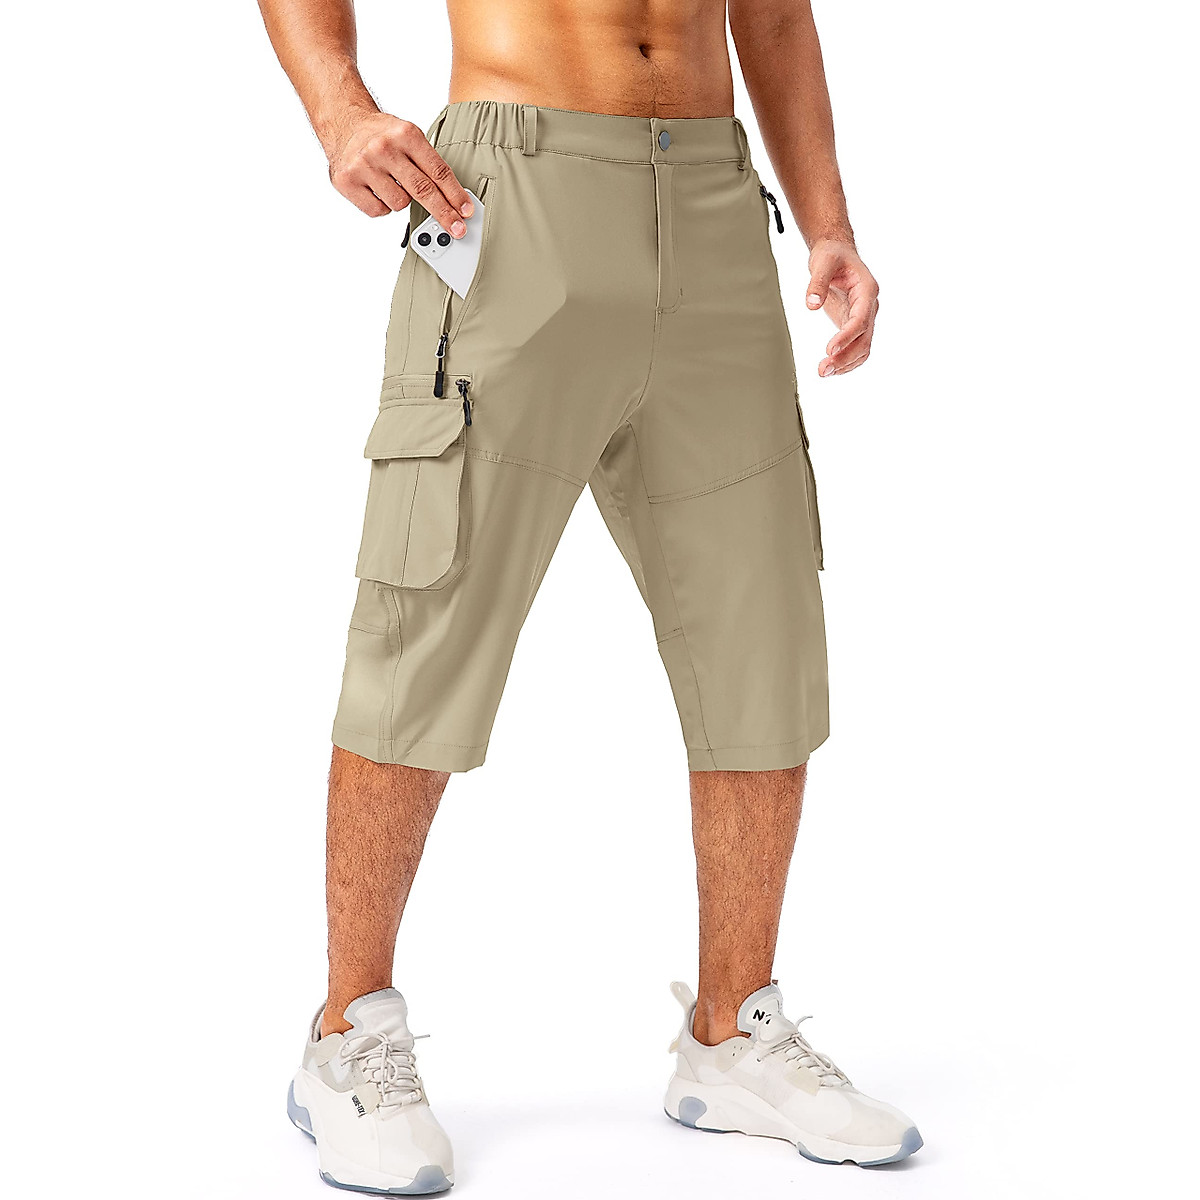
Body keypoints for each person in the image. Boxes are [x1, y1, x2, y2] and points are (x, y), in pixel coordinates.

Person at [258, 0, 919, 1191]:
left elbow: (772, 12)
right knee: (427, 620)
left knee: (761, 631)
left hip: (715, 201)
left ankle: (730, 1033)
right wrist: (340, 112)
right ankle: (346, 1034)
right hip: (508, 195)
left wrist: (828, 224)